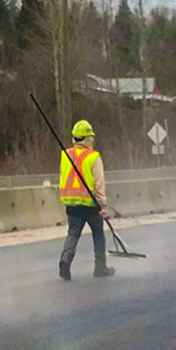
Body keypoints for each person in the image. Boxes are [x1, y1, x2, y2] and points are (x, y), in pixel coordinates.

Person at [58, 119, 114, 281]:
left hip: (72, 204)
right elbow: (99, 183)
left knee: (73, 234)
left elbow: (63, 176)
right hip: (90, 204)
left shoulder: (65, 154)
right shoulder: (93, 156)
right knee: (98, 235)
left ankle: (65, 260)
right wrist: (103, 205)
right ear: (87, 138)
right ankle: (100, 267)